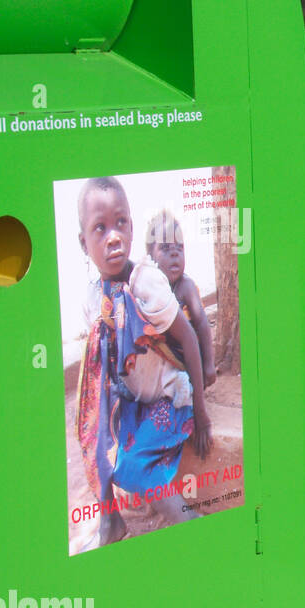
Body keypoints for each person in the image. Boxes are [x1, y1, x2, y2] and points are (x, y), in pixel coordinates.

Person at [74, 177, 213, 547]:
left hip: (172, 398)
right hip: (137, 403)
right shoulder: (93, 298)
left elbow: (189, 340)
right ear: (83, 243)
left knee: (133, 469)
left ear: (132, 228)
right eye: (99, 228)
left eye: (120, 223)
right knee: (96, 442)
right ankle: (110, 522)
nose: (113, 236)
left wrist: (201, 412)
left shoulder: (146, 283)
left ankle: (190, 523)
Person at [145, 210, 216, 388]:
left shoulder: (186, 287)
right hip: (160, 365)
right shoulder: (147, 287)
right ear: (150, 254)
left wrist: (208, 365)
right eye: (166, 248)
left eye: (180, 247)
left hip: (186, 364)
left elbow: (202, 324)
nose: (175, 254)